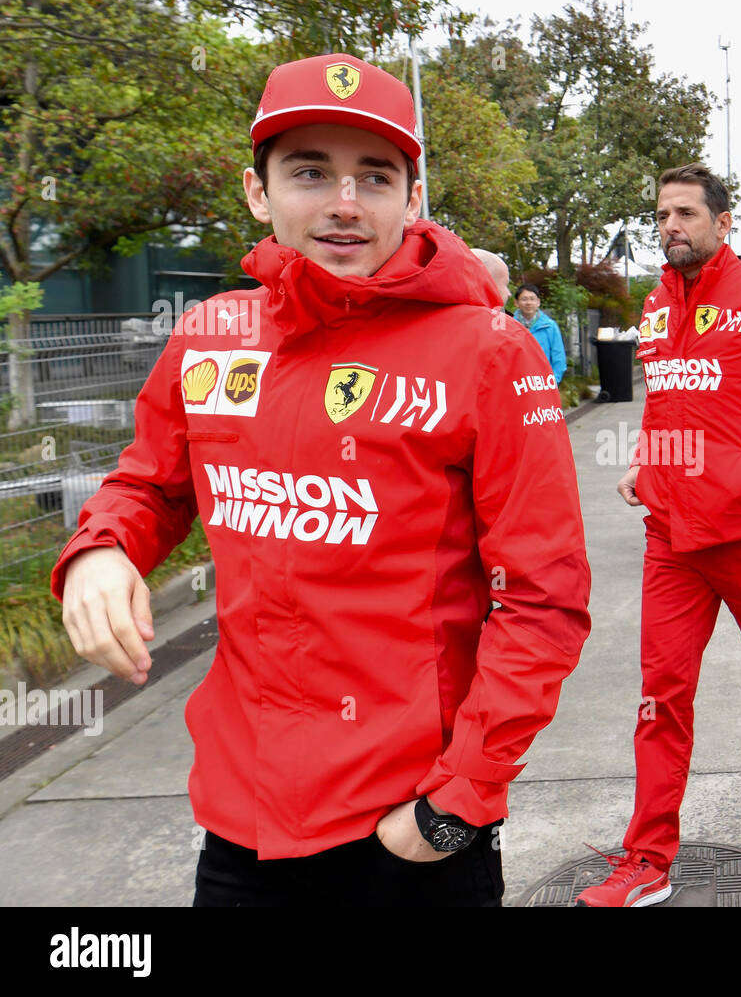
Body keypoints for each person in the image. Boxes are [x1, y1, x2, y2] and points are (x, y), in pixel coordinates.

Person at [53, 52, 592, 907]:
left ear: (412, 200)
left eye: (374, 177)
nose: (345, 202)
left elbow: (543, 599)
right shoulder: (209, 335)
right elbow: (150, 485)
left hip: (407, 830)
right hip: (242, 822)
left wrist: (459, 803)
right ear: (258, 191)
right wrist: (102, 548)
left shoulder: (490, 351)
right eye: (311, 172)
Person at [576, 162, 741, 907]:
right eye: (663, 214)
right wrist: (644, 462)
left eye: (687, 213)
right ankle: (648, 860)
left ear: (724, 224)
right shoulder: (657, 304)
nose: (672, 226)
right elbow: (670, 407)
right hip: (670, 537)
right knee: (661, 693)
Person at [513, 284, 567, 384]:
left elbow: (559, 358)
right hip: (518, 384)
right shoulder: (510, 326)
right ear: (516, 303)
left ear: (538, 302)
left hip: (544, 383)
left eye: (532, 299)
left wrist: (553, 382)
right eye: (524, 299)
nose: (528, 303)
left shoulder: (550, 326)